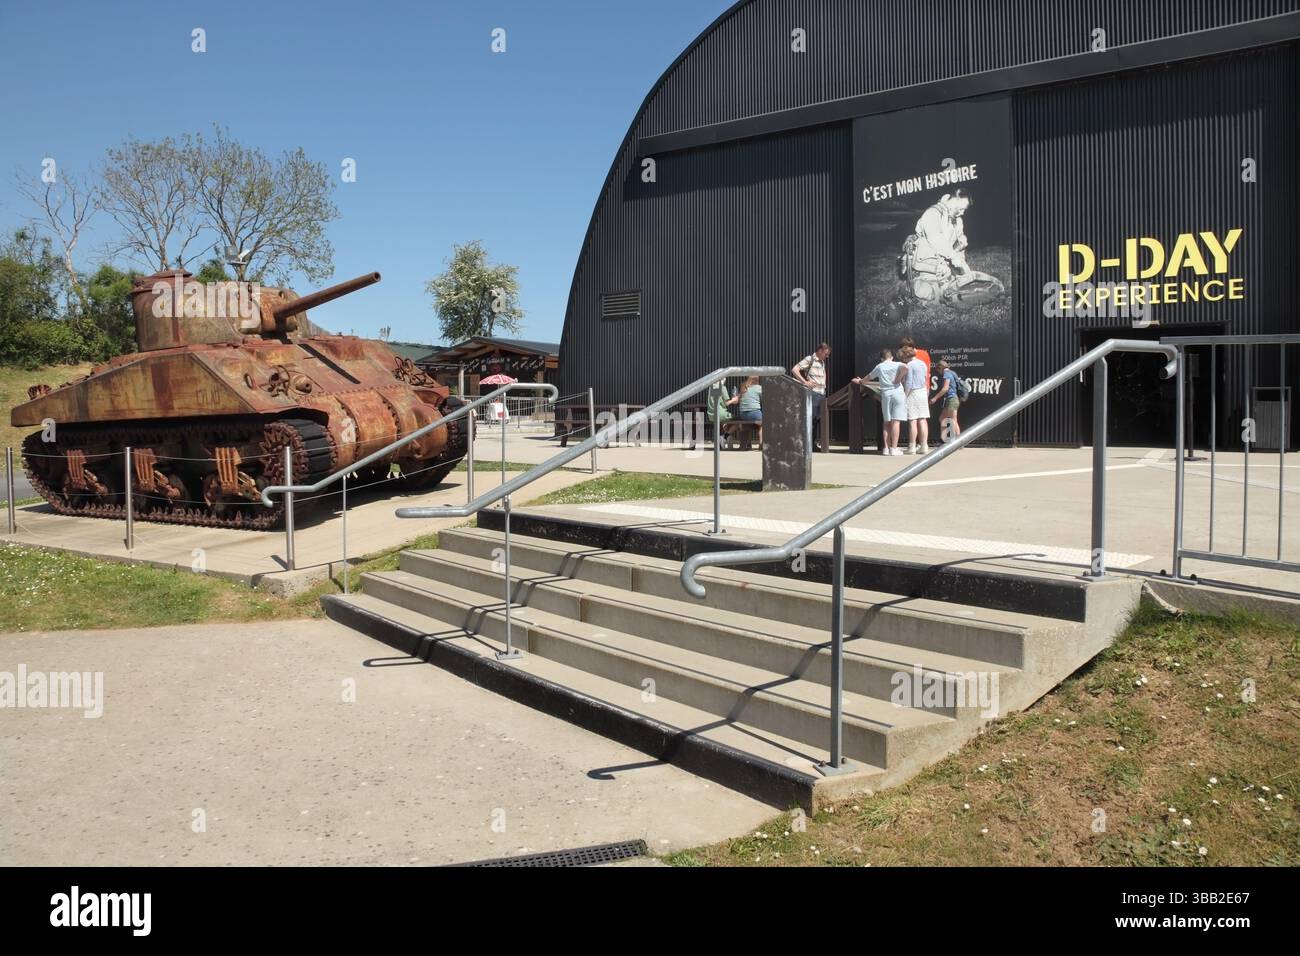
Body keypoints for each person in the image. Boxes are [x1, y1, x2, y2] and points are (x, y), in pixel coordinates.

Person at [853, 349, 904, 456]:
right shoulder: (897, 364)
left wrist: (860, 381)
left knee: (887, 422)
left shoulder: (879, 366)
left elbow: (868, 377)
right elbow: (906, 367)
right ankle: (894, 448)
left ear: (881, 358)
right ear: (891, 357)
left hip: (885, 394)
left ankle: (886, 448)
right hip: (898, 393)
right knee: (896, 422)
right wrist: (898, 379)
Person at [792, 342, 830, 450]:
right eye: (826, 354)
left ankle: (812, 444)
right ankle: (807, 445)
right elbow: (794, 369)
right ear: (820, 350)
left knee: (817, 420)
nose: (827, 357)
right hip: (813, 394)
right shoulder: (810, 359)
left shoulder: (822, 362)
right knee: (811, 419)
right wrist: (805, 382)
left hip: (821, 393)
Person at [896, 344, 930, 455]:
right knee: (923, 419)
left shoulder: (909, 365)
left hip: (913, 393)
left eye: (903, 358)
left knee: (912, 420)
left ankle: (912, 446)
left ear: (906, 357)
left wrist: (904, 396)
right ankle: (924, 446)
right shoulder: (923, 364)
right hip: (923, 392)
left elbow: (909, 383)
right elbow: (925, 378)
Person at [930, 358, 961, 444]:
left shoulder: (946, 374)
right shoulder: (952, 373)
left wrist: (935, 398)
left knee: (953, 419)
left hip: (952, 399)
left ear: (941, 367)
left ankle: (959, 441)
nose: (938, 372)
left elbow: (945, 388)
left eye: (938, 369)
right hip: (950, 399)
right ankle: (945, 440)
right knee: (942, 418)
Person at [736, 375, 763, 444]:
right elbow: (765, 399)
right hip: (754, 413)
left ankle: (745, 444)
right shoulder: (759, 388)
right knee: (764, 424)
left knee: (747, 425)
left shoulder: (743, 387)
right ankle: (761, 443)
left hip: (743, 415)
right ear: (757, 380)